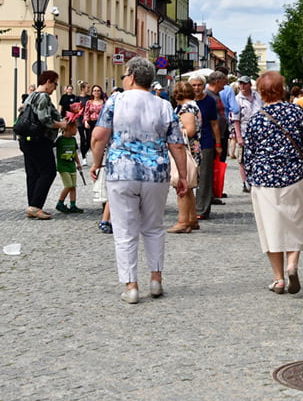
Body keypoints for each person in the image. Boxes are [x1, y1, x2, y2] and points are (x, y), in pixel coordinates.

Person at [90, 56, 188, 304]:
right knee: (154, 227)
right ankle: (156, 280)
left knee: (124, 229)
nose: (124, 79)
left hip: (122, 173)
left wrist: (96, 162)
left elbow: (99, 136)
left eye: (124, 75)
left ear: (131, 77)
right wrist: (183, 175)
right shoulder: (163, 105)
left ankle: (131, 285)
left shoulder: (116, 101)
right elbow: (176, 144)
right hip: (156, 174)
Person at [242, 71, 303, 295]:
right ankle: (292, 265)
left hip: (264, 179)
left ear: (261, 92)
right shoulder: (296, 112)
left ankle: (278, 279)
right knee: (295, 221)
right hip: (294, 176)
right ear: (282, 88)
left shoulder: (257, 118)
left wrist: (250, 175)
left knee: (270, 227)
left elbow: (249, 154)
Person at [19, 70, 69, 220]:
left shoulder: (30, 96)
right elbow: (44, 119)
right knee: (48, 171)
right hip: (39, 140)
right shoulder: (43, 97)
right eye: (55, 83)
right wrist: (61, 124)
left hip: (26, 139)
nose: (55, 87)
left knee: (33, 173)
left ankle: (33, 207)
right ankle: (35, 206)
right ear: (48, 81)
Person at [168, 80, 201, 234]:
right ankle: (192, 218)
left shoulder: (187, 108)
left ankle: (183, 221)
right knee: (188, 187)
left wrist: (171, 132)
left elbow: (190, 130)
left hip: (186, 150)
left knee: (181, 185)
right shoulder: (192, 106)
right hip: (192, 149)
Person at [190, 74, 220, 220]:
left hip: (206, 140)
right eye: (194, 85)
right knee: (190, 175)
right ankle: (189, 207)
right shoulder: (186, 101)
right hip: (189, 143)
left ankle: (202, 209)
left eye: (199, 85)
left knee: (205, 176)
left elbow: (214, 123)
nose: (196, 88)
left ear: (204, 86)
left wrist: (218, 143)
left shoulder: (209, 101)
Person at [233, 75, 264, 193]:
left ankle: (256, 179)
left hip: (258, 133)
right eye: (240, 84)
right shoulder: (237, 99)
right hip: (244, 131)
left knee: (257, 157)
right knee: (242, 159)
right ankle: (245, 182)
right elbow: (236, 119)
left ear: (250, 85)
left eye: (245, 83)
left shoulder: (258, 96)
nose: (242, 86)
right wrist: (239, 136)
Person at [54, 117, 84, 214]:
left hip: (71, 166)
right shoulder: (60, 140)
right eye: (75, 128)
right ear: (69, 128)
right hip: (63, 167)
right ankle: (60, 203)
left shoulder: (73, 140)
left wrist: (78, 163)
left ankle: (73, 205)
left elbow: (74, 153)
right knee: (68, 185)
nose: (76, 130)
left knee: (73, 187)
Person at [82, 85, 106, 157]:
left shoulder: (104, 102)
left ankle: (99, 155)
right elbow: (86, 113)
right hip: (91, 123)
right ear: (92, 92)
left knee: (100, 141)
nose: (96, 92)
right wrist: (86, 122)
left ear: (101, 92)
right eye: (94, 91)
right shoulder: (89, 102)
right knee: (90, 140)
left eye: (98, 90)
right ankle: (85, 155)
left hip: (101, 124)